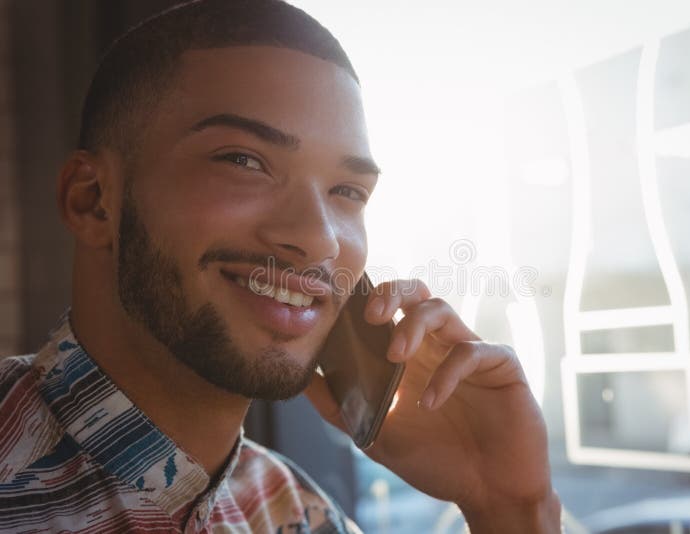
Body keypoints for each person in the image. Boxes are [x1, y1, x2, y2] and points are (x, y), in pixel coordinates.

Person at [0, 0, 561, 532]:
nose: (319, 240)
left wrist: (509, 506)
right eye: (244, 161)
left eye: (347, 190)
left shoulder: (291, 508)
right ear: (93, 200)